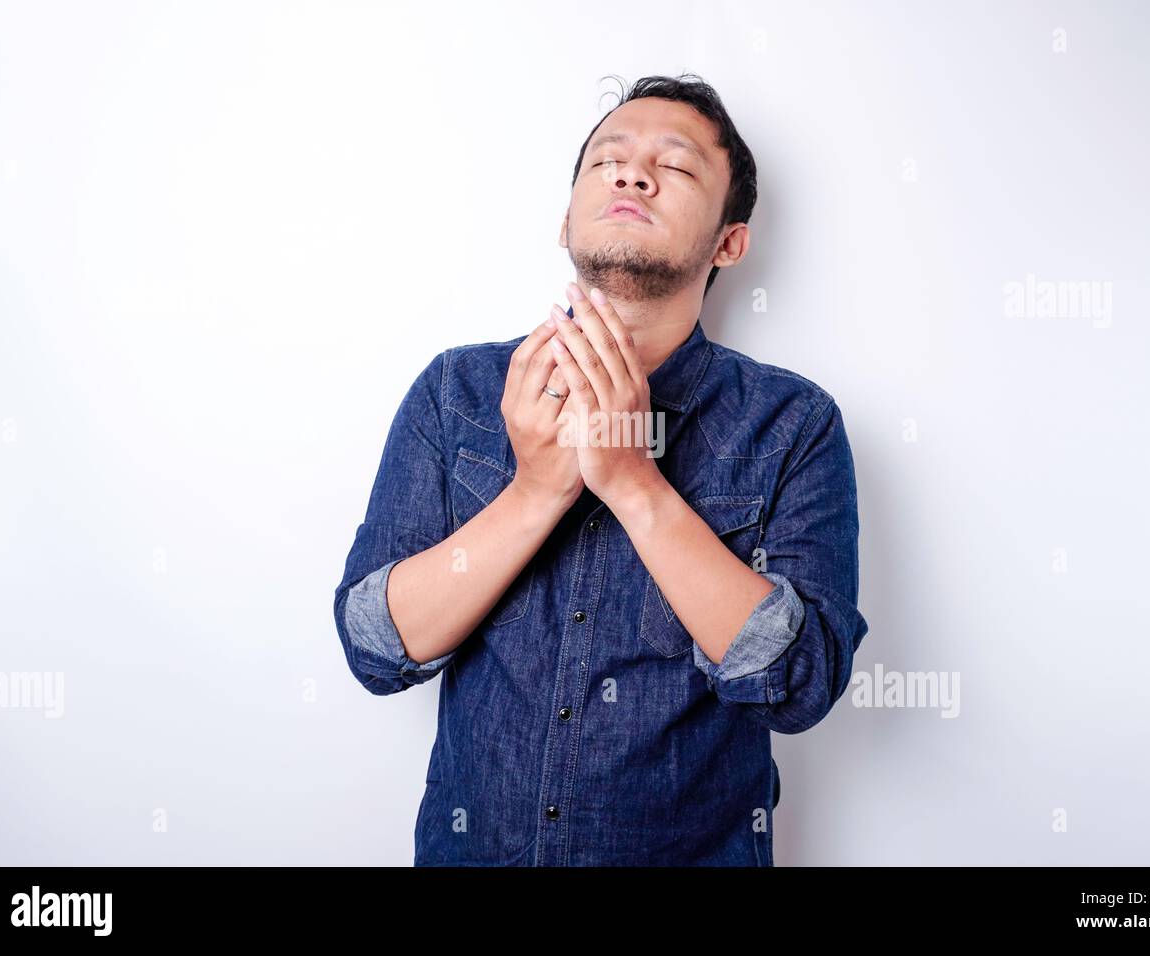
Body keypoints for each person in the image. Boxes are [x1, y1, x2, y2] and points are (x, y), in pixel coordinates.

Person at [334, 73, 868, 866]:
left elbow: (797, 685)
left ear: (730, 241)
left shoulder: (792, 423)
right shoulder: (457, 393)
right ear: (565, 220)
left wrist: (634, 482)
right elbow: (375, 647)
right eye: (606, 161)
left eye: (677, 167)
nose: (632, 173)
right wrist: (536, 490)